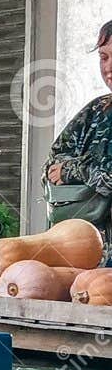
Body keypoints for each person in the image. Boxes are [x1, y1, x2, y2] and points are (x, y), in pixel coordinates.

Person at [45, 19, 112, 259]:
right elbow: (51, 169)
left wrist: (75, 169)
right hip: (80, 260)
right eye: (103, 57)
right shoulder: (95, 112)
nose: (109, 67)